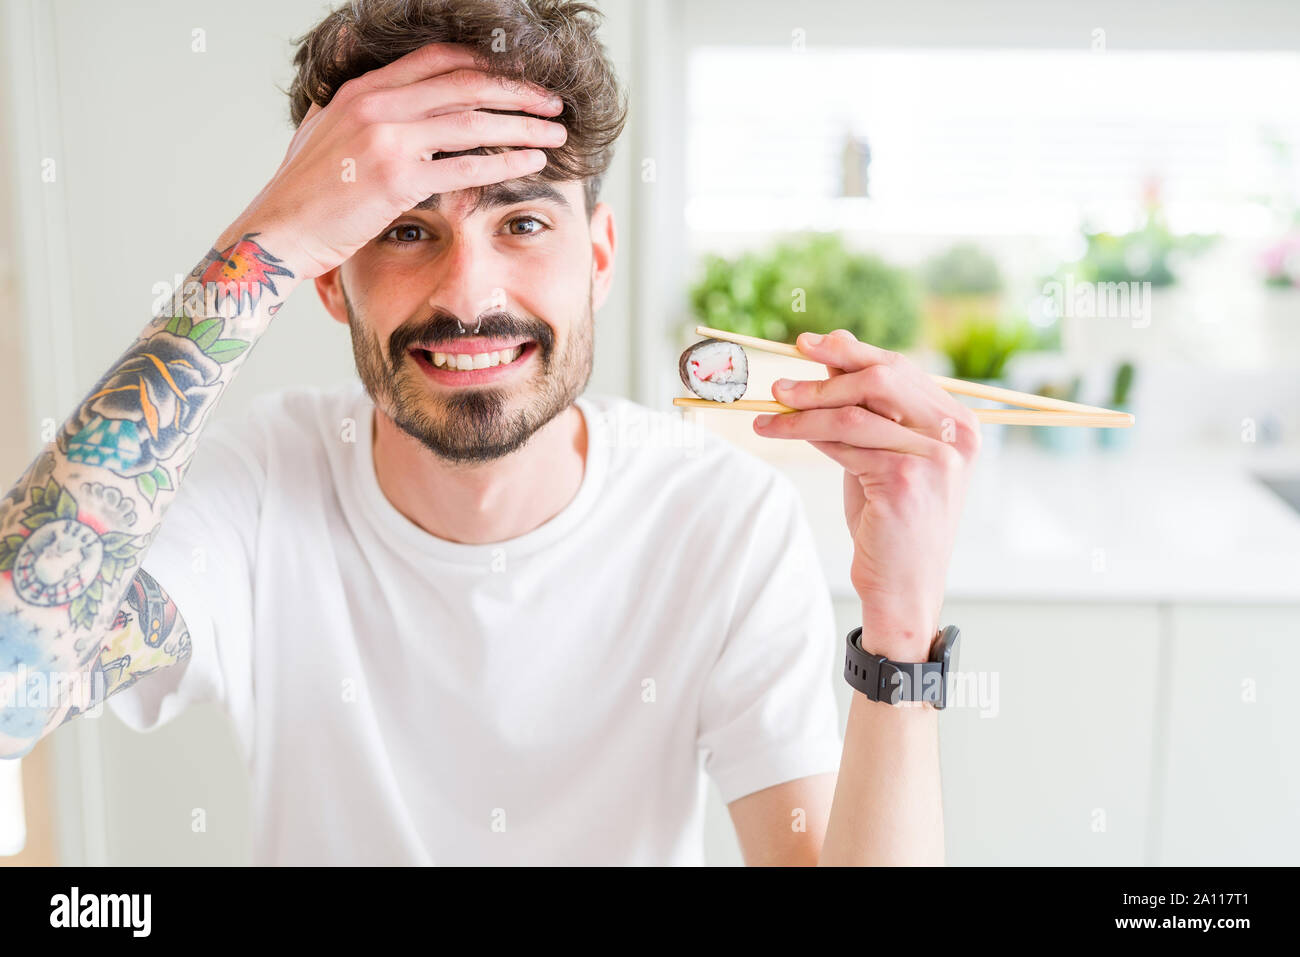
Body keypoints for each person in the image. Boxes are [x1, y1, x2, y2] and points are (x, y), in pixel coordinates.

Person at [0, 0, 980, 865]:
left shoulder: (717, 517)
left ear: (596, 258)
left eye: (520, 224)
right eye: (405, 228)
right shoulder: (266, 486)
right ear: (332, 276)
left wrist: (900, 630)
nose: (468, 295)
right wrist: (267, 243)